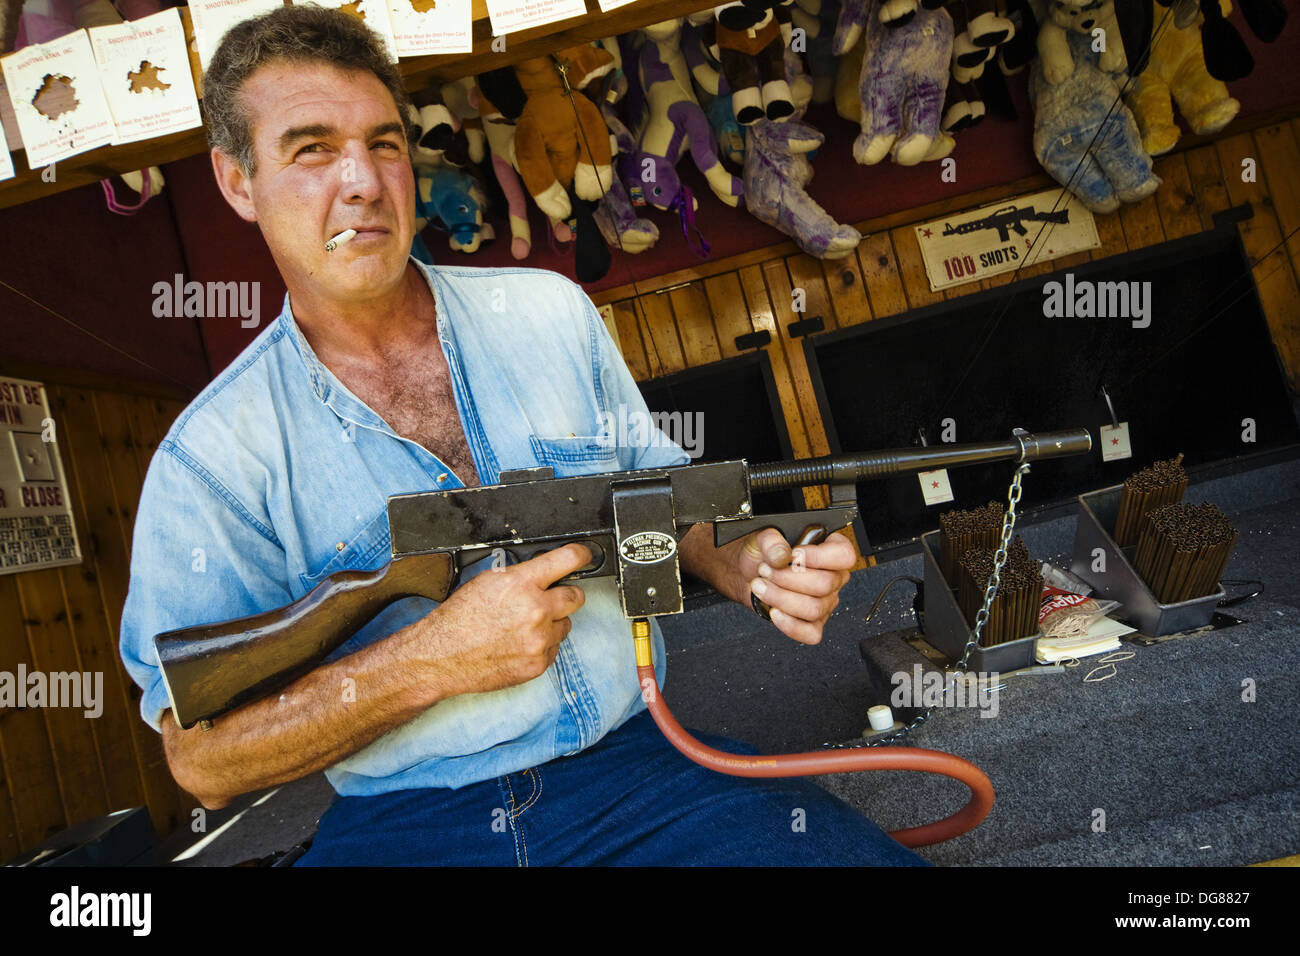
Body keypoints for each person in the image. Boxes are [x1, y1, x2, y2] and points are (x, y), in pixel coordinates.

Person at [119, 6, 925, 866]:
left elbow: (665, 504)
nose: (360, 181)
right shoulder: (209, 458)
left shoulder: (549, 311)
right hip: (409, 823)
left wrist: (747, 563)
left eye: (385, 142)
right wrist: (428, 662)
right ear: (237, 181)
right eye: (311, 148)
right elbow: (199, 760)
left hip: (634, 771)